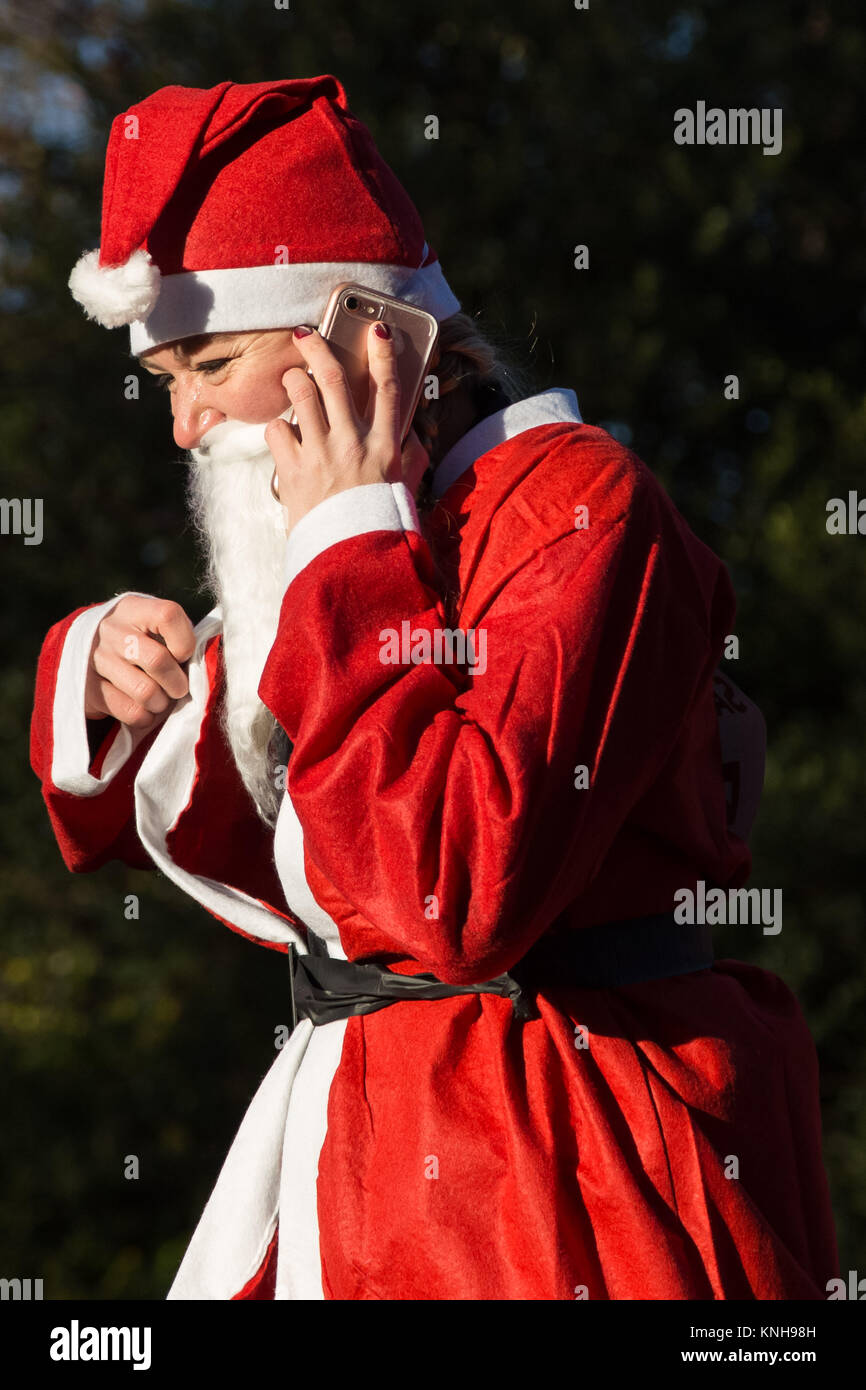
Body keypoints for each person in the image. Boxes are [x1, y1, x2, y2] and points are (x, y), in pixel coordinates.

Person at [31, 75, 839, 1301]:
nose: (187, 425)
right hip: (355, 1155)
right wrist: (101, 680)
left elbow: (444, 888)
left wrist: (349, 554)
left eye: (210, 363)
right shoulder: (346, 539)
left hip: (565, 1174)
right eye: (163, 382)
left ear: (366, 335)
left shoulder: (577, 507)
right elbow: (282, 848)